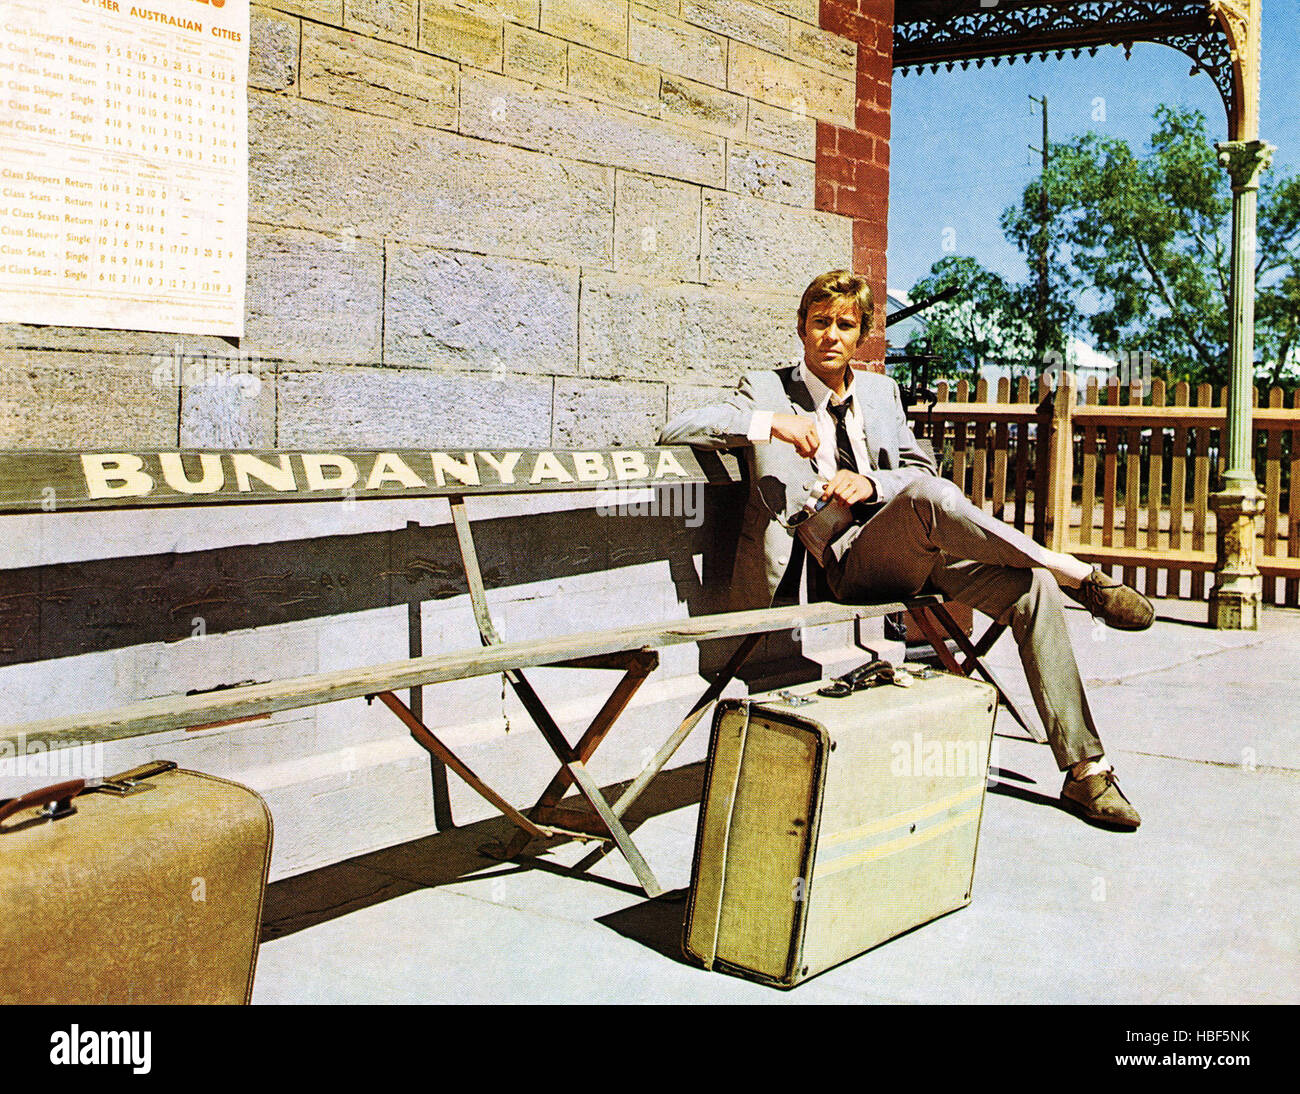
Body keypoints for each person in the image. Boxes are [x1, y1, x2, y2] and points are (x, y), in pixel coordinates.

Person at [659, 269, 1153, 829]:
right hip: (841, 562)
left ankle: (1086, 772)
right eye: (819, 323)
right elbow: (678, 427)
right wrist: (770, 424)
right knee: (932, 498)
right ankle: (1070, 567)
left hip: (911, 550)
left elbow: (918, 470)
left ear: (862, 336)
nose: (830, 336)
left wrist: (873, 485)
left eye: (845, 325)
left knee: (1029, 589)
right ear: (801, 329)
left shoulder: (881, 392)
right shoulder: (765, 388)